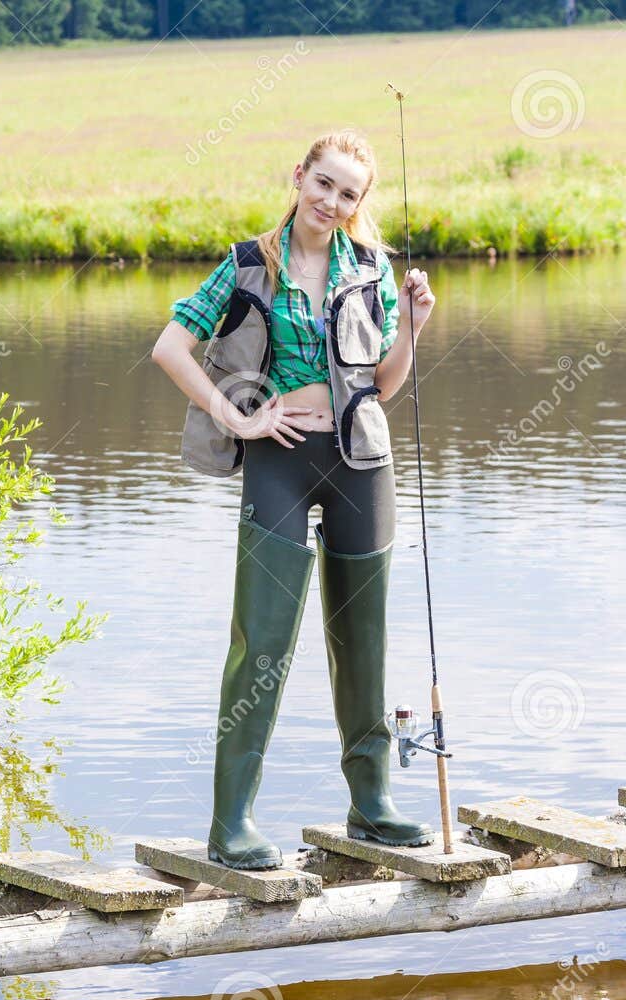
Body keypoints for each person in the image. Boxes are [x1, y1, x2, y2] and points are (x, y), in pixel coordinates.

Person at [150, 129, 438, 870]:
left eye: (348, 193)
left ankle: (371, 805)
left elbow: (382, 383)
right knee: (262, 643)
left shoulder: (371, 265)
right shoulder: (250, 263)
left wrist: (411, 328)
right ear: (299, 176)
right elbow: (170, 347)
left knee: (363, 639)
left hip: (359, 460)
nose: (331, 201)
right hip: (278, 460)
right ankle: (232, 821)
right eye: (324, 183)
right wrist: (238, 416)